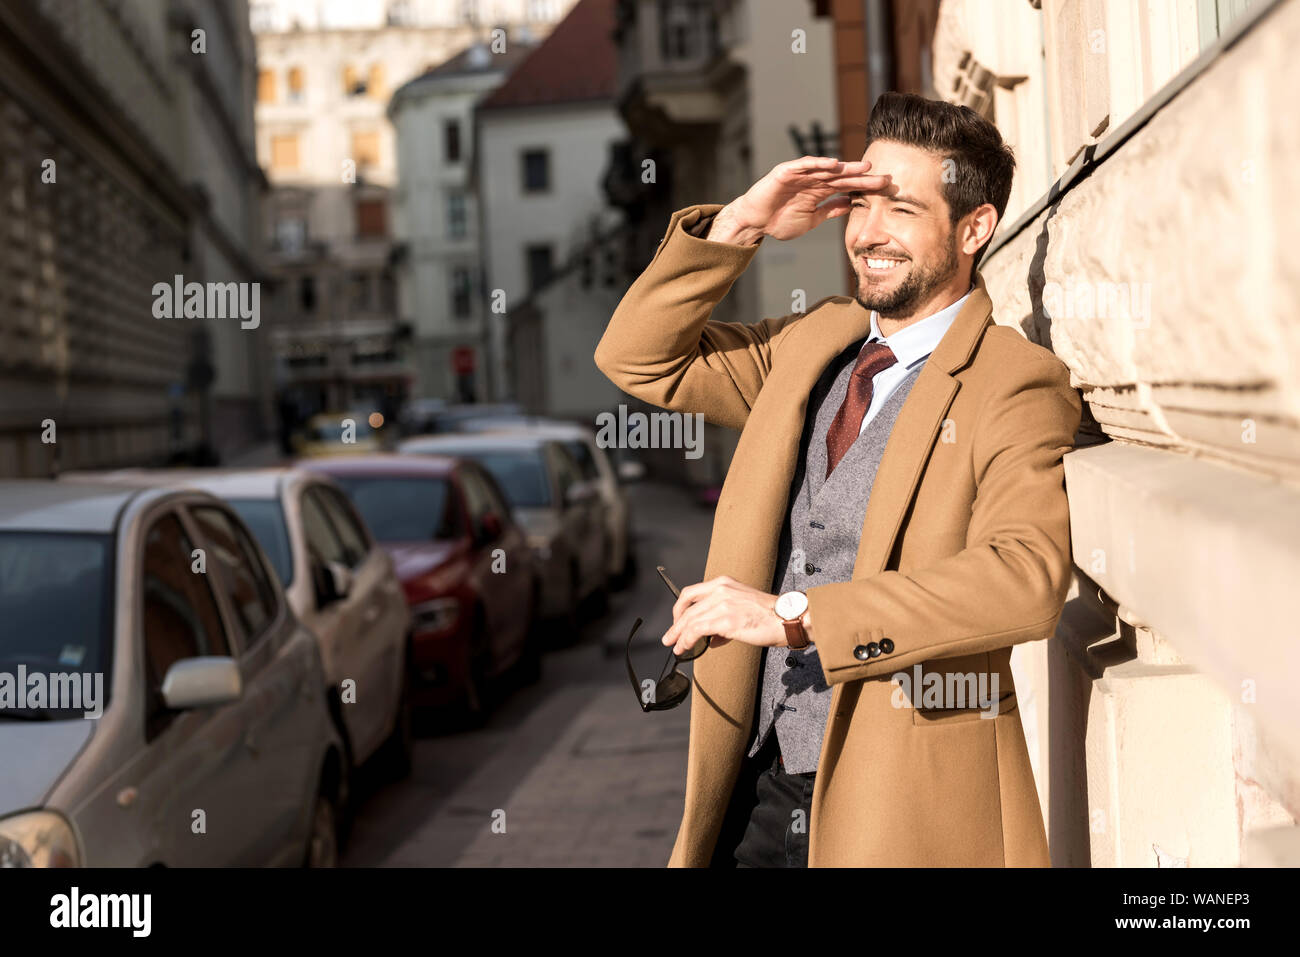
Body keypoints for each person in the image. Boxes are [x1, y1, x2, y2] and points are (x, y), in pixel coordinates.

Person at [594, 92, 1082, 867]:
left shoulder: (1012, 382)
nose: (867, 233)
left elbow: (1024, 580)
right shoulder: (815, 341)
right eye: (859, 203)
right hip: (753, 777)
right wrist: (742, 225)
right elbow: (640, 359)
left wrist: (796, 615)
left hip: (893, 796)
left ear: (974, 228)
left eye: (900, 209)